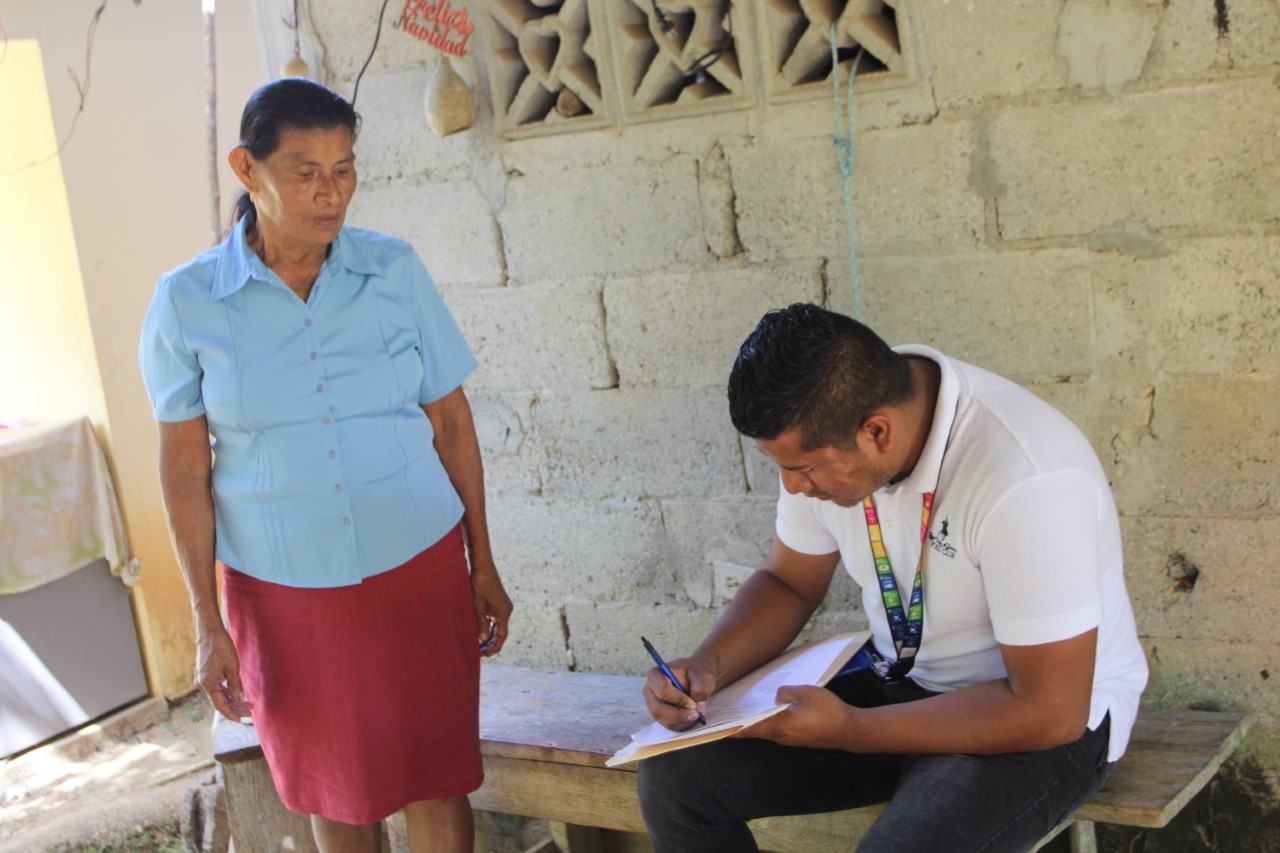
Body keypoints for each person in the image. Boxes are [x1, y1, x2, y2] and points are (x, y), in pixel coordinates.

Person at [138, 78, 512, 853]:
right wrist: (208, 622)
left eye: (343, 168)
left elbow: (451, 419)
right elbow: (183, 473)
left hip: (417, 562)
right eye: (305, 170)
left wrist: (483, 560)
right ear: (248, 169)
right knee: (337, 792)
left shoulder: (394, 271)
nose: (330, 191)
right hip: (282, 590)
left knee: (438, 775)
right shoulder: (186, 303)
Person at [637, 303, 1148, 852]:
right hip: (900, 678)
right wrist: (709, 665)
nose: (792, 488)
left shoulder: (1026, 475)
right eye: (780, 467)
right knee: (676, 781)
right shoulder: (833, 424)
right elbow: (789, 582)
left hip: (1035, 714)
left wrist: (851, 731)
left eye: (804, 468)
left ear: (877, 432)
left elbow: (1049, 711)